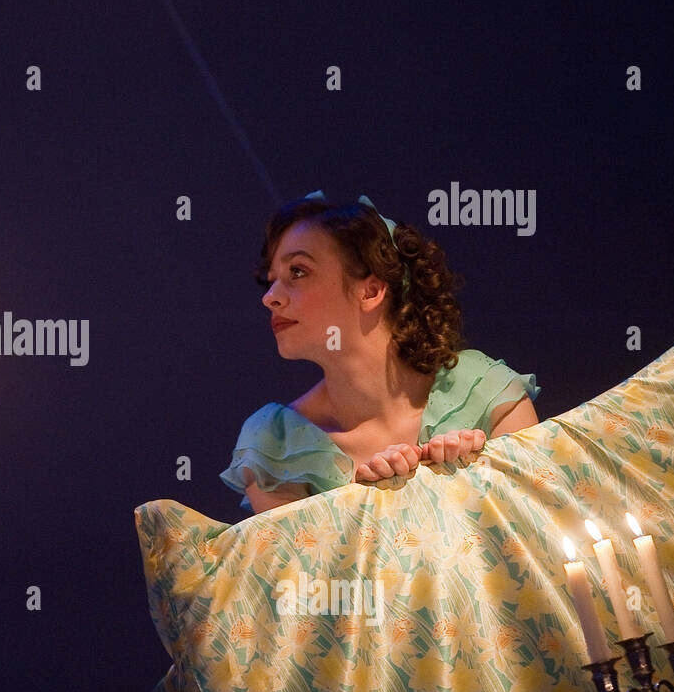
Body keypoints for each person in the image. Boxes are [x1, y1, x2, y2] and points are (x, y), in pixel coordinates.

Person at [220, 190, 540, 515]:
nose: (270, 298)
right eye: (271, 280)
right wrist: (370, 507)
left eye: (298, 272)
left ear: (370, 290)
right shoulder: (275, 446)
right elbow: (302, 564)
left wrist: (471, 477)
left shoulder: (485, 391)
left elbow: (538, 534)